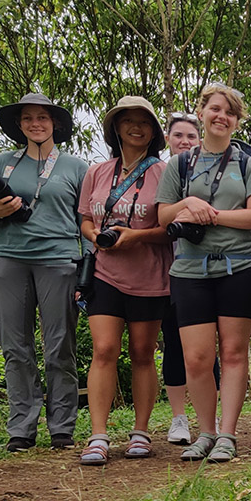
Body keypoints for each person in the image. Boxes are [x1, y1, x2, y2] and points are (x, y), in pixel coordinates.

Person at [156, 83, 251, 462]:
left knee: (235, 353)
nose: (222, 116)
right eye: (215, 108)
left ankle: (227, 434)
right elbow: (162, 215)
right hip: (189, 270)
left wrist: (212, 214)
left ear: (236, 122)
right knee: (197, 359)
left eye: (230, 112)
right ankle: (204, 432)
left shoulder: (247, 164)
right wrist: (188, 201)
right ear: (202, 112)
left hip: (240, 266)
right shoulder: (179, 164)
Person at [0, 93, 88, 452]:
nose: (35, 123)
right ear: (19, 124)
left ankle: (62, 427)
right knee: (15, 346)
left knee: (59, 345)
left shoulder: (76, 167)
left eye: (43, 117)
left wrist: (86, 271)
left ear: (55, 123)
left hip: (58, 260)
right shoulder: (3, 163)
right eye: (28, 118)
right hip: (9, 259)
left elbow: (85, 222)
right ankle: (21, 427)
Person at [75, 96, 172, 465]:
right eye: (128, 121)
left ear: (154, 131)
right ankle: (98, 434)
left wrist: (136, 236)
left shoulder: (163, 173)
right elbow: (85, 217)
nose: (136, 127)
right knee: (104, 350)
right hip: (104, 274)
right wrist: (95, 235)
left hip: (149, 275)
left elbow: (171, 228)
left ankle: (141, 431)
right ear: (116, 128)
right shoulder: (96, 172)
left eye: (144, 122)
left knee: (143, 353)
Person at [159, 112, 218, 446]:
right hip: (164, 271)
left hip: (202, 269)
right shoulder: (162, 173)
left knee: (208, 350)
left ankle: (211, 417)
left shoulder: (210, 173)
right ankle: (179, 417)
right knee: (174, 345)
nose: (184, 141)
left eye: (191, 137)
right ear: (168, 139)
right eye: (178, 135)